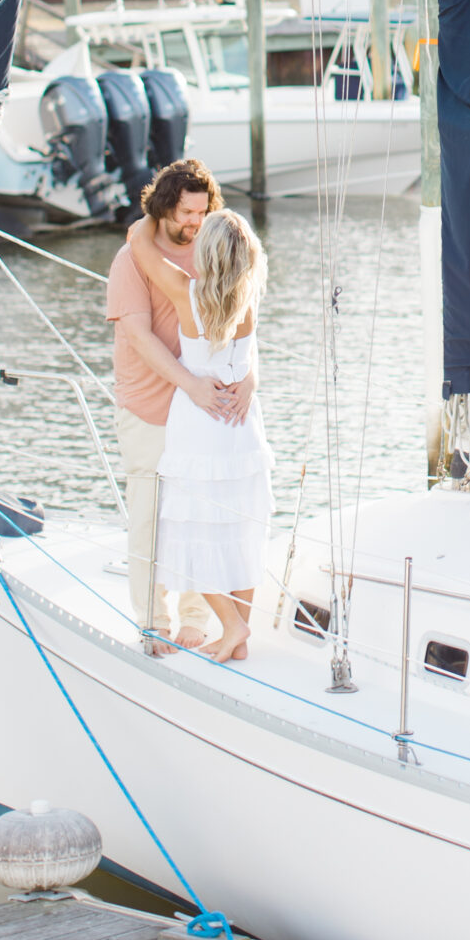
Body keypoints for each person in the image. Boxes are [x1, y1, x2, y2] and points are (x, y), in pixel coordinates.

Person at [105, 157, 250, 653]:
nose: (195, 221)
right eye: (187, 212)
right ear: (165, 208)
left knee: (198, 515)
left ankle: (195, 616)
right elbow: (138, 335)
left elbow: (245, 328)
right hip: (151, 405)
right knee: (149, 518)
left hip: (202, 412)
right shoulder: (132, 260)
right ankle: (152, 620)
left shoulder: (212, 253)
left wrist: (249, 379)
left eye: (202, 212)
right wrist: (189, 384)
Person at [125, 205, 272, 664]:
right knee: (239, 529)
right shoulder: (249, 298)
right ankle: (238, 636)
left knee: (192, 531)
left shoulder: (185, 292)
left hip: (201, 425)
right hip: (241, 427)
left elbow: (138, 240)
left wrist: (163, 211)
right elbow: (249, 360)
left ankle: (233, 625)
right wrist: (249, 381)